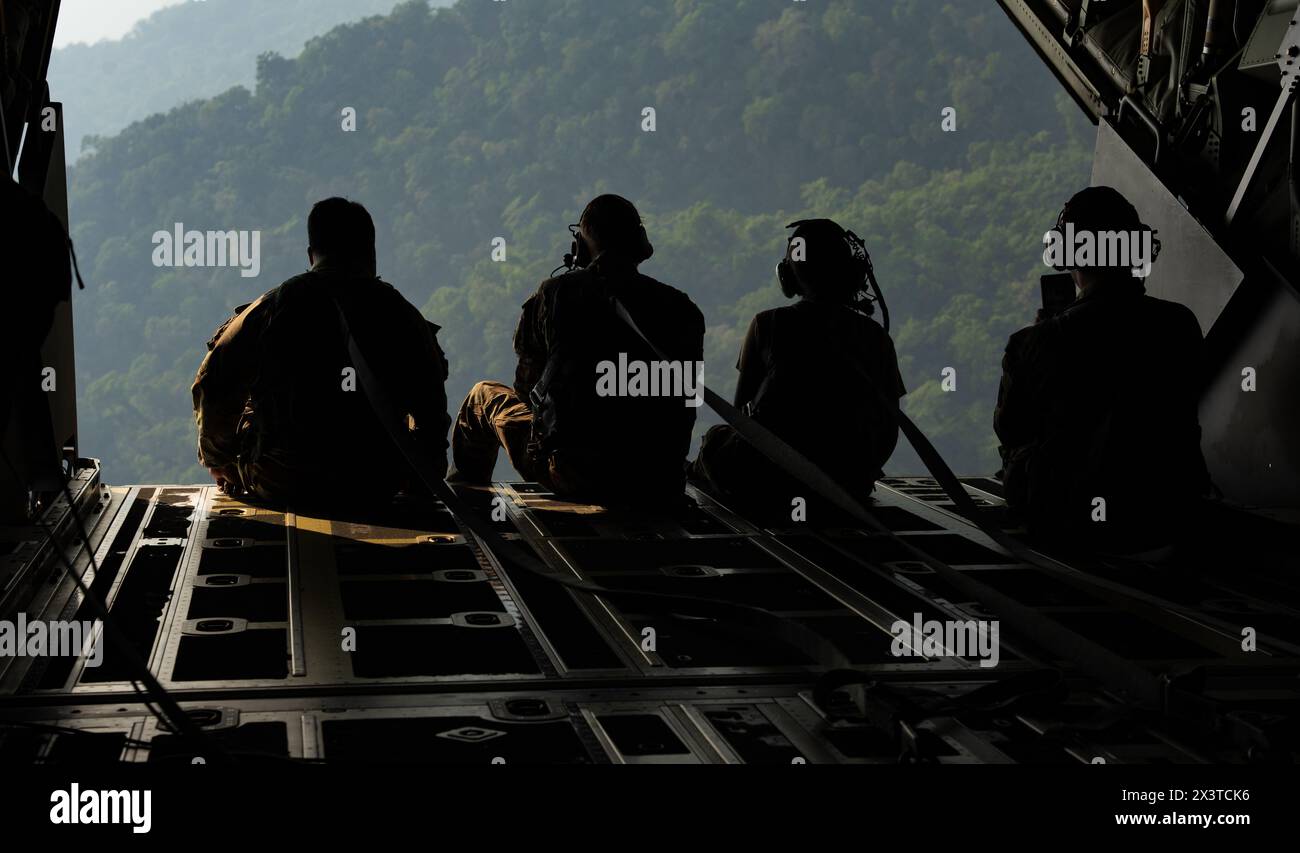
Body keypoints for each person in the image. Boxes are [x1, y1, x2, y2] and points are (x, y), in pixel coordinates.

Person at [191, 197, 449, 508]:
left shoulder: (274, 306)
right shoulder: (402, 314)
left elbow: (215, 382)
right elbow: (431, 405)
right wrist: (424, 474)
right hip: (375, 482)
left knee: (250, 406)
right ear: (371, 253)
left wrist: (219, 461)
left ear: (312, 254)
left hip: (282, 480)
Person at [995, 186, 1212, 554]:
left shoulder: (1032, 341)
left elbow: (1010, 429)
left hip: (1066, 521)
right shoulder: (1179, 324)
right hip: (1164, 517)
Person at [449, 194, 704, 506]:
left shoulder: (554, 294)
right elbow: (685, 403)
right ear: (640, 242)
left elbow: (526, 388)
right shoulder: (683, 309)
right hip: (658, 480)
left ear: (582, 246)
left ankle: (464, 504)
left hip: (577, 475)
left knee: (483, 396)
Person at [690, 219, 905, 516]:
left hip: (768, 478)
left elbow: (741, 417)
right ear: (852, 273)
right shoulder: (876, 337)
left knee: (714, 439)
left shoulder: (767, 324)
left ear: (788, 276)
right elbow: (888, 429)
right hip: (846, 482)